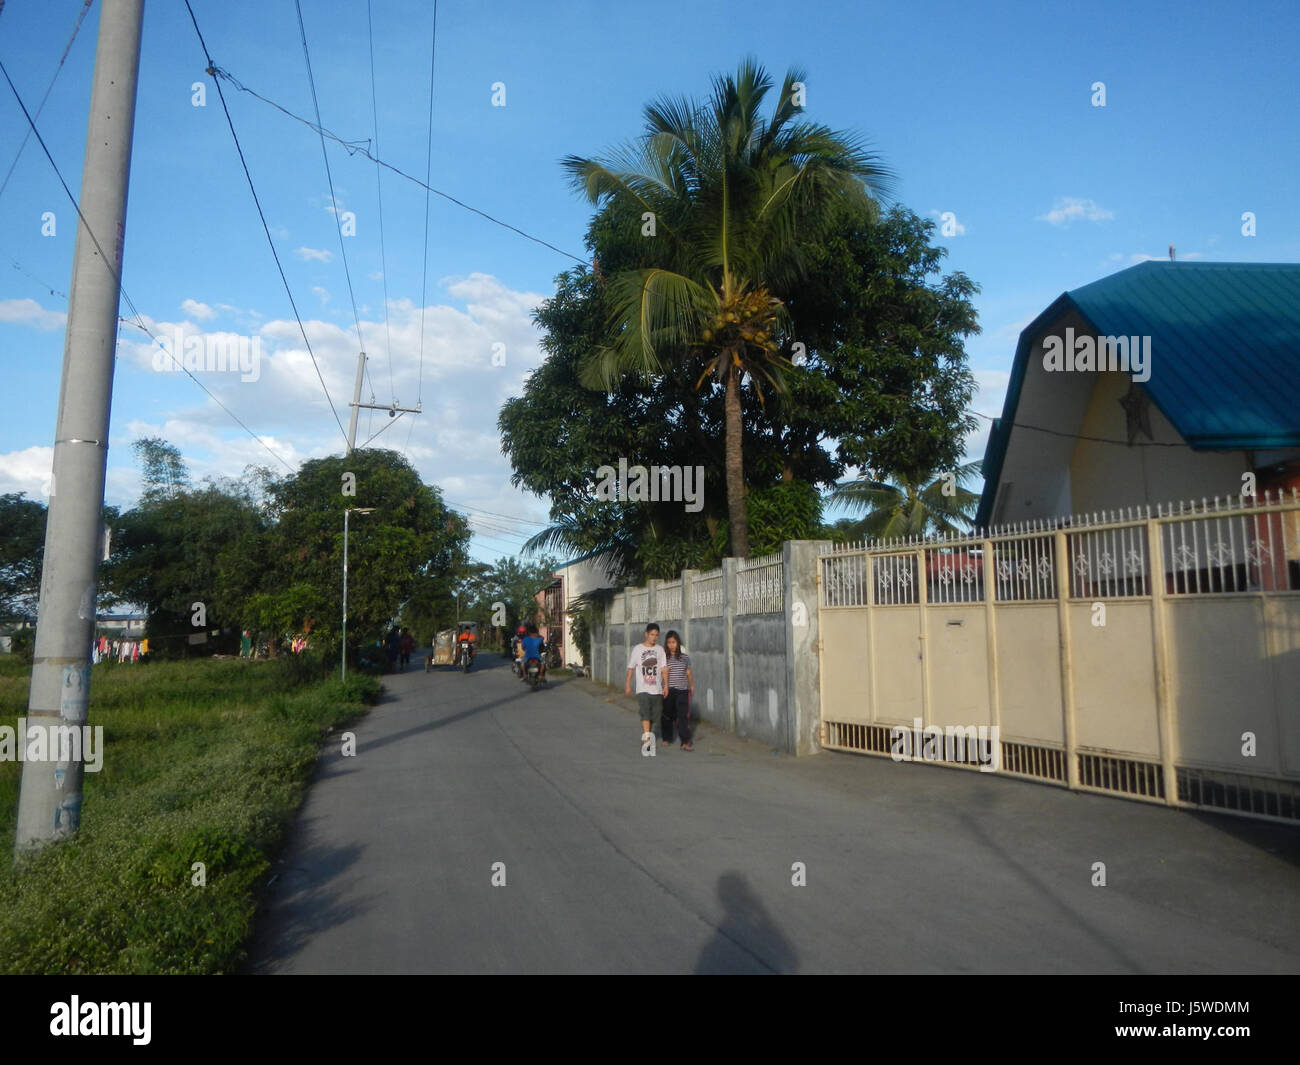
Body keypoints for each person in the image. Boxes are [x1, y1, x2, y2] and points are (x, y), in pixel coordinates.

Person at [625, 622, 667, 744]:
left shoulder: (660, 650)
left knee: (656, 715)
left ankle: (648, 730)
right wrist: (628, 684)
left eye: (656, 635)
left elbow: (664, 669)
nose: (654, 637)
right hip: (642, 689)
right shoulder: (638, 649)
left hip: (657, 688)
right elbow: (631, 668)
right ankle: (647, 738)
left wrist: (666, 686)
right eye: (652, 634)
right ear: (646, 634)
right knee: (645, 713)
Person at [662, 630, 695, 750]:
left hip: (683, 690)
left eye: (674, 642)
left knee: (682, 716)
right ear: (666, 644)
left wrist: (691, 686)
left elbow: (689, 672)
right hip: (668, 690)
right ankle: (667, 737)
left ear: (678, 643)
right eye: (669, 642)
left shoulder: (685, 658)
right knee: (667, 715)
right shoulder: (664, 658)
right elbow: (662, 673)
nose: (672, 645)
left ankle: (685, 741)